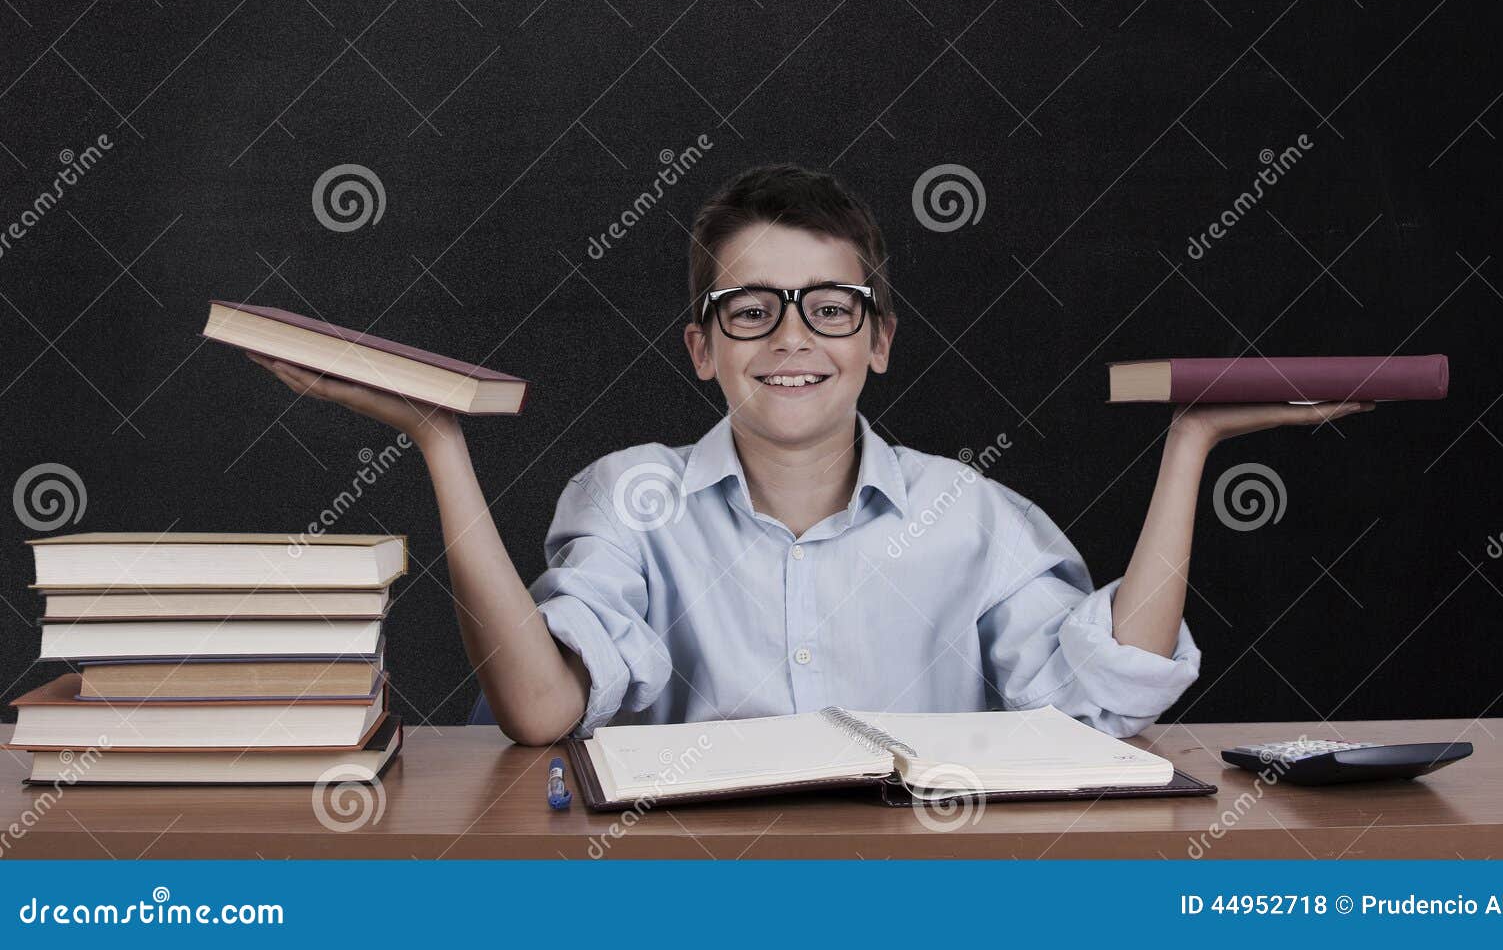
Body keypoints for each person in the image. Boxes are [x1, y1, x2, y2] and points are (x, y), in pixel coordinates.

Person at [250, 163, 1373, 743]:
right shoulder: (630, 497)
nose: (792, 335)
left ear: (878, 339)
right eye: (749, 309)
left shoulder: (969, 513)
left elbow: (1114, 696)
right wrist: (441, 441)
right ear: (701, 345)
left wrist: (1191, 442)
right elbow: (543, 708)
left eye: (831, 306)